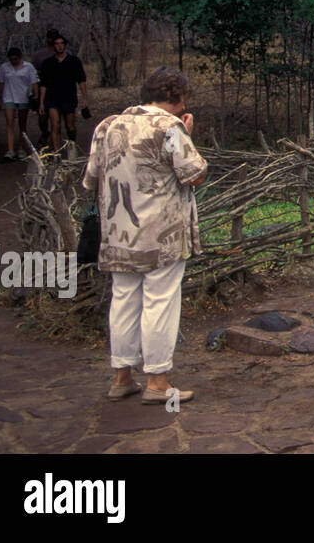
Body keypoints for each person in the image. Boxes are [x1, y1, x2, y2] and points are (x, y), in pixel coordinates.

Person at [83, 67, 207, 404]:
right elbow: (194, 175)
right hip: (160, 235)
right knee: (160, 302)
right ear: (176, 99)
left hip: (118, 232)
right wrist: (187, 134)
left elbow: (91, 178)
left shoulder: (107, 126)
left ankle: (122, 377)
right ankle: (157, 381)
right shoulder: (170, 127)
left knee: (123, 300)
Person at [37, 33, 89, 151]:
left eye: (62, 44)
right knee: (55, 125)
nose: (59, 46)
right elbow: (43, 84)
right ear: (53, 46)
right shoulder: (48, 63)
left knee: (70, 126)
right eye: (57, 44)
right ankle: (57, 153)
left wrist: (85, 98)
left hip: (69, 97)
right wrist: (41, 102)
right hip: (52, 99)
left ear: (65, 45)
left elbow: (81, 80)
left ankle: (72, 148)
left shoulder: (74, 61)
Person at [0, 47, 39, 160]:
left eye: (15, 59)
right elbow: (1, 83)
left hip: (23, 98)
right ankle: (10, 150)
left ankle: (21, 148)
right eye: (11, 59)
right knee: (9, 123)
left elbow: (34, 82)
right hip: (8, 97)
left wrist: (36, 96)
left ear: (19, 58)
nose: (13, 61)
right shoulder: (4, 67)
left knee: (22, 124)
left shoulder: (28, 67)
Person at [30, 29, 59, 145]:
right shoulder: (39, 55)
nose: (52, 40)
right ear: (47, 39)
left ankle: (54, 142)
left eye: (54, 37)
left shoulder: (64, 53)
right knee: (42, 117)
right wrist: (35, 91)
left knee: (56, 119)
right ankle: (44, 132)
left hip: (58, 89)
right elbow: (34, 74)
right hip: (42, 88)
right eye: (50, 37)